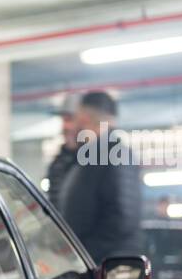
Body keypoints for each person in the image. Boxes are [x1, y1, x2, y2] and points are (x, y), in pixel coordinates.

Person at [43, 91, 143, 263]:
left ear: (89, 122)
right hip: (90, 263)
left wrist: (81, 254)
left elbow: (121, 220)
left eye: (80, 124)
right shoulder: (86, 158)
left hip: (108, 268)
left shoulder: (115, 156)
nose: (76, 130)